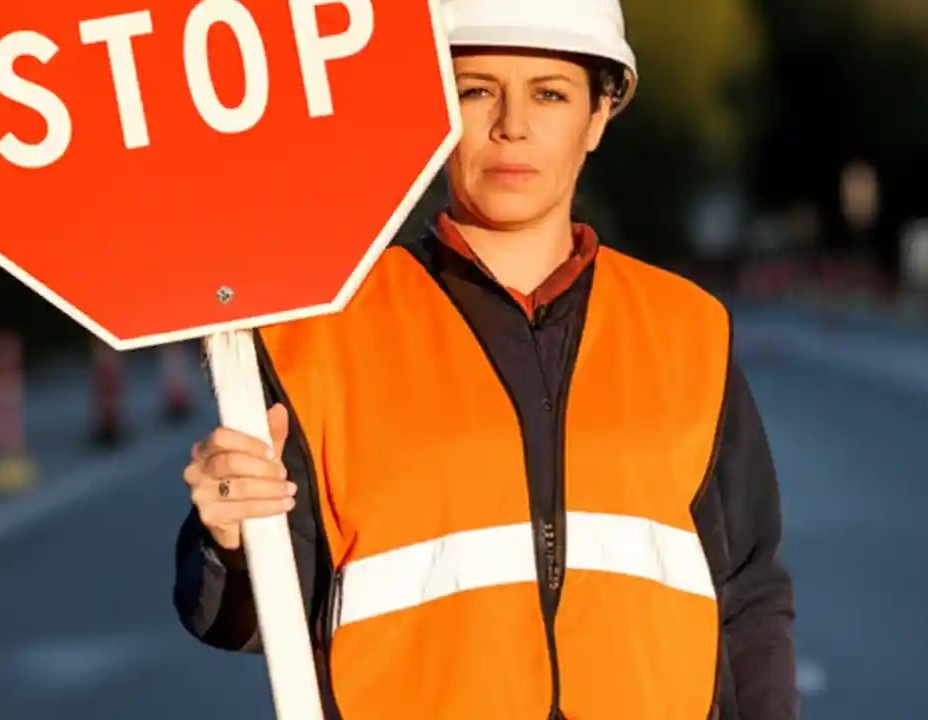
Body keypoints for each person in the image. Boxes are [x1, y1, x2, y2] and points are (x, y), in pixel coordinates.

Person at [173, 0, 797, 717]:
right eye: (476, 90)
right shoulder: (320, 337)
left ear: (599, 116)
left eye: (550, 93)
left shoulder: (689, 329)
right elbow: (249, 622)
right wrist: (230, 536)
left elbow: (748, 594)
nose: (512, 125)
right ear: (429, 111)